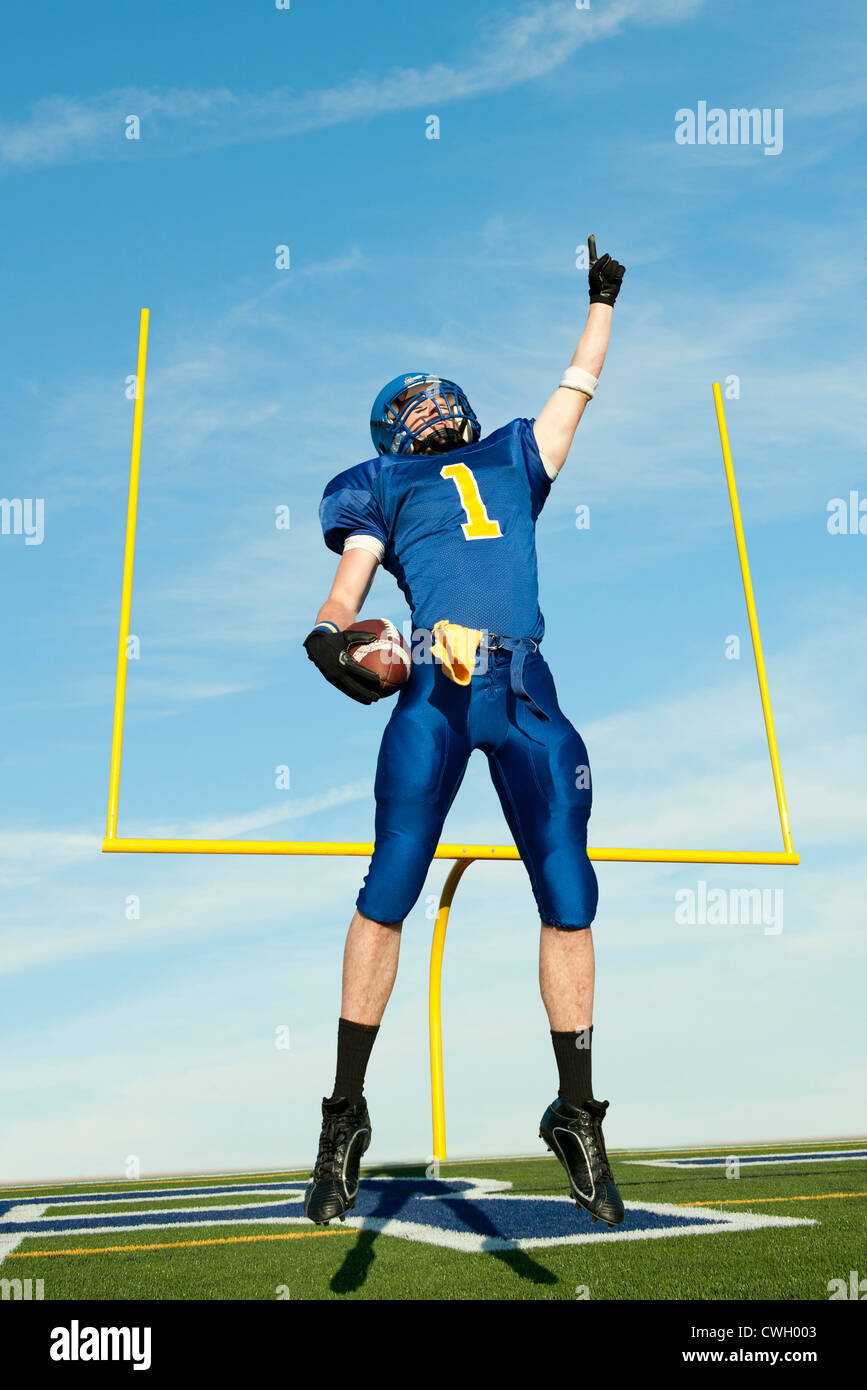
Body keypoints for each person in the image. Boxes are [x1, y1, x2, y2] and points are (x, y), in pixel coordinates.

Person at [302, 236, 626, 1228]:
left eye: (437, 394)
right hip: (437, 688)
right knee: (390, 883)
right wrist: (343, 647)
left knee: (570, 893)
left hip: (524, 682)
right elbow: (346, 598)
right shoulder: (382, 488)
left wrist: (602, 304)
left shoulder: (514, 457)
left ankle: (575, 1112)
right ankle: (345, 1115)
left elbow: (575, 396)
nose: (432, 406)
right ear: (393, 430)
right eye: (413, 403)